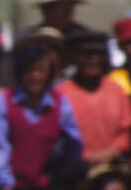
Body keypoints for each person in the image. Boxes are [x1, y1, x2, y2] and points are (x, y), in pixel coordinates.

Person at [0, 43, 85, 190]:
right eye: (30, 70)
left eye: (41, 70)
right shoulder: (4, 102)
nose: (35, 76)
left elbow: (74, 144)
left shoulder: (60, 103)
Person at [55, 31, 131, 168]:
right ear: (75, 58)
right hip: (73, 170)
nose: (93, 60)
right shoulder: (61, 92)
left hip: (113, 167)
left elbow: (126, 131)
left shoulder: (116, 90)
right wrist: (85, 156)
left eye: (98, 55)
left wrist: (111, 152)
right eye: (87, 55)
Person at [20, 0, 90, 42]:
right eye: (61, 6)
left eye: (70, 5)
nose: (67, 11)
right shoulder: (28, 39)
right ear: (46, 9)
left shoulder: (85, 37)